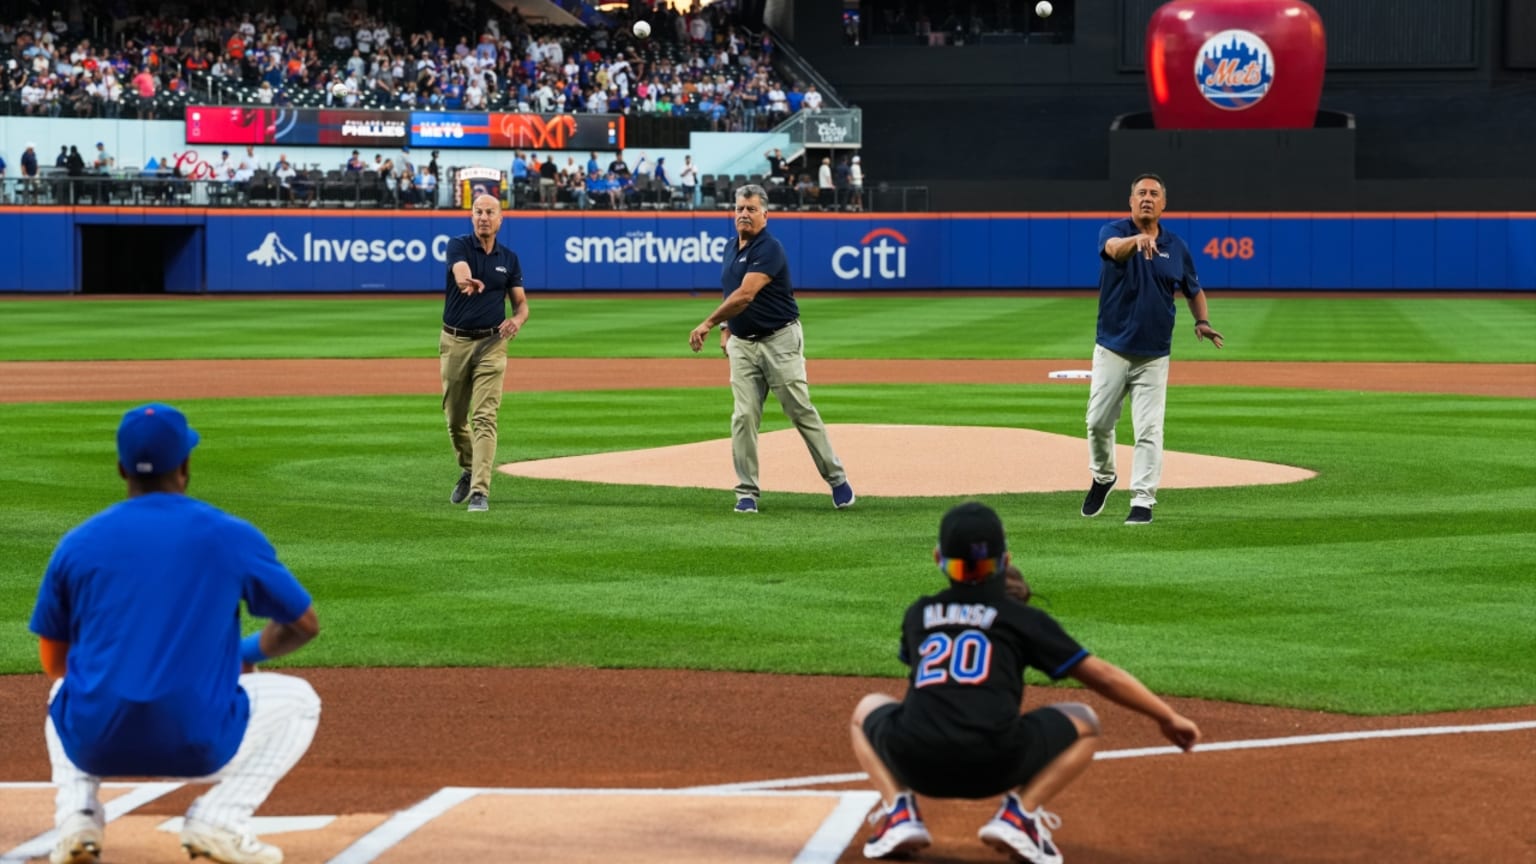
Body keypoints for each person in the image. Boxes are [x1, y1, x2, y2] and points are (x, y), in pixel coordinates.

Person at [29, 403, 321, 864]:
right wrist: (243, 652)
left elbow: (53, 664)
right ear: (185, 465)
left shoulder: (78, 543)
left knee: (65, 690)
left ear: (122, 468)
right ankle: (220, 819)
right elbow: (304, 624)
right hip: (199, 743)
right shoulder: (228, 534)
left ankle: (77, 817)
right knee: (301, 701)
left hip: (95, 744)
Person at [851, 501, 1201, 861]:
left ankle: (900, 812)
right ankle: (1019, 816)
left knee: (866, 709)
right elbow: (1105, 677)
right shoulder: (1021, 618)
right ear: (1006, 560)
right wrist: (1166, 716)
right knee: (1085, 721)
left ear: (938, 557)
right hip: (995, 765)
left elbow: (918, 686)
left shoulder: (919, 614)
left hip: (917, 763)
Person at [687, 184, 854, 513]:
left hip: (780, 341)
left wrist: (706, 323)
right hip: (743, 346)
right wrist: (725, 329)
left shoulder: (769, 248)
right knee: (744, 416)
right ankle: (746, 492)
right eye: (739, 208)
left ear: (765, 214)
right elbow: (730, 291)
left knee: (799, 411)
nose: (743, 214)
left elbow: (746, 295)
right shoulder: (730, 247)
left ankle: (837, 480)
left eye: (750, 209)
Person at [1081, 173, 1224, 525]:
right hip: (1113, 348)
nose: (1147, 198)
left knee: (1149, 429)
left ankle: (1142, 501)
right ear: (1131, 201)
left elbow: (1193, 288)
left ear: (1164, 204)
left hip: (1155, 354)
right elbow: (1113, 251)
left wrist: (1202, 321)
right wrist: (1137, 240)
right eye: (1141, 193)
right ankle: (1103, 476)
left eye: (1154, 194)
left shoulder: (1176, 246)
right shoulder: (1112, 232)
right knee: (1098, 422)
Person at [441, 195, 529, 512]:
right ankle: (468, 467)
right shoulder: (459, 246)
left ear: (500, 219)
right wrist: (466, 282)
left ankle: (480, 491)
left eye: (490, 212)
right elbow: (460, 271)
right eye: (478, 212)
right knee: (454, 419)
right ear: (471, 216)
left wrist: (517, 321)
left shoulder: (510, 258)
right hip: (456, 343)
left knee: (484, 417)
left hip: (493, 344)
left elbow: (521, 304)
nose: (483, 217)